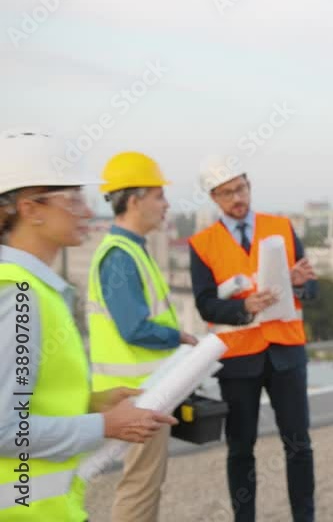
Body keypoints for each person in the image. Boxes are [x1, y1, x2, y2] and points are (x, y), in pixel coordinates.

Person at [0, 130, 178, 521]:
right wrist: (103, 424)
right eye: (74, 197)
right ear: (32, 209)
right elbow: (3, 428)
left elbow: (30, 397)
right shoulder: (19, 295)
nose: (87, 210)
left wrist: (90, 402)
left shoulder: (32, 289)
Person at [187, 155, 317, 522]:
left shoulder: (282, 227)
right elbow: (205, 304)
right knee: (241, 448)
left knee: (298, 445)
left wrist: (300, 286)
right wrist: (245, 309)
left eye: (241, 188)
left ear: (249, 185)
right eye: (227, 193)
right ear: (214, 197)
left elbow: (312, 287)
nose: (236, 198)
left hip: (287, 353)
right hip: (238, 359)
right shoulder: (203, 244)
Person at [86, 151, 200, 522]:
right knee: (139, 490)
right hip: (134, 395)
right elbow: (133, 327)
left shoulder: (132, 250)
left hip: (144, 391)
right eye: (159, 195)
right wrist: (179, 337)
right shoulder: (120, 255)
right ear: (134, 200)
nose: (167, 204)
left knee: (144, 486)